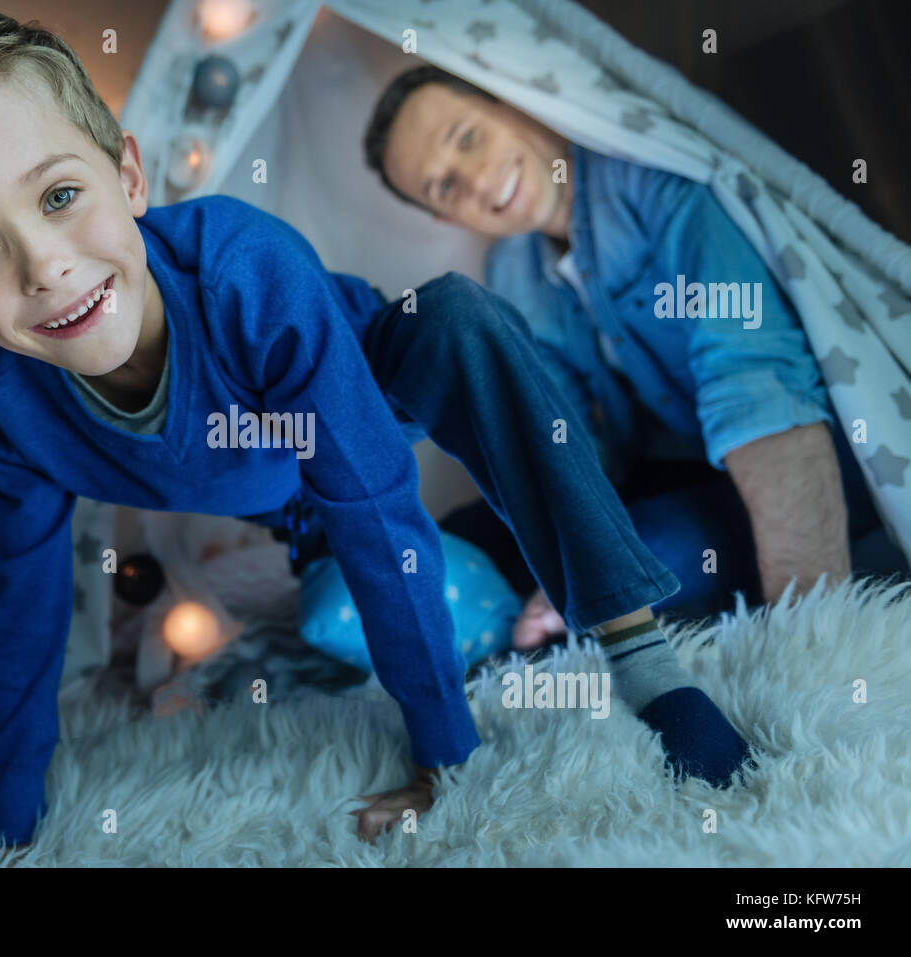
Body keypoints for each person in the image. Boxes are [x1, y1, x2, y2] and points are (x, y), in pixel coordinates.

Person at [0, 12, 751, 849]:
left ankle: (648, 664)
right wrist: (7, 828)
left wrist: (445, 759)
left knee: (462, 321)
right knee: (316, 620)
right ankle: (504, 618)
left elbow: (375, 502)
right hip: (279, 494)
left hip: (364, 390)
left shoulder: (244, 272)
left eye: (60, 196)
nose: (48, 266)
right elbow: (20, 615)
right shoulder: (17, 415)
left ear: (130, 175)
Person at [363, 64, 905, 648]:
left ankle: (554, 611)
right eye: (443, 187)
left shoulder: (653, 176)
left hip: (835, 450)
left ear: (514, 101)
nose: (474, 181)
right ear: (445, 217)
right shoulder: (512, 272)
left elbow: (756, 384)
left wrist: (813, 642)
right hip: (687, 461)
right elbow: (563, 439)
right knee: (486, 526)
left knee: (639, 559)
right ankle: (415, 599)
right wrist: (569, 551)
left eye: (468, 138)